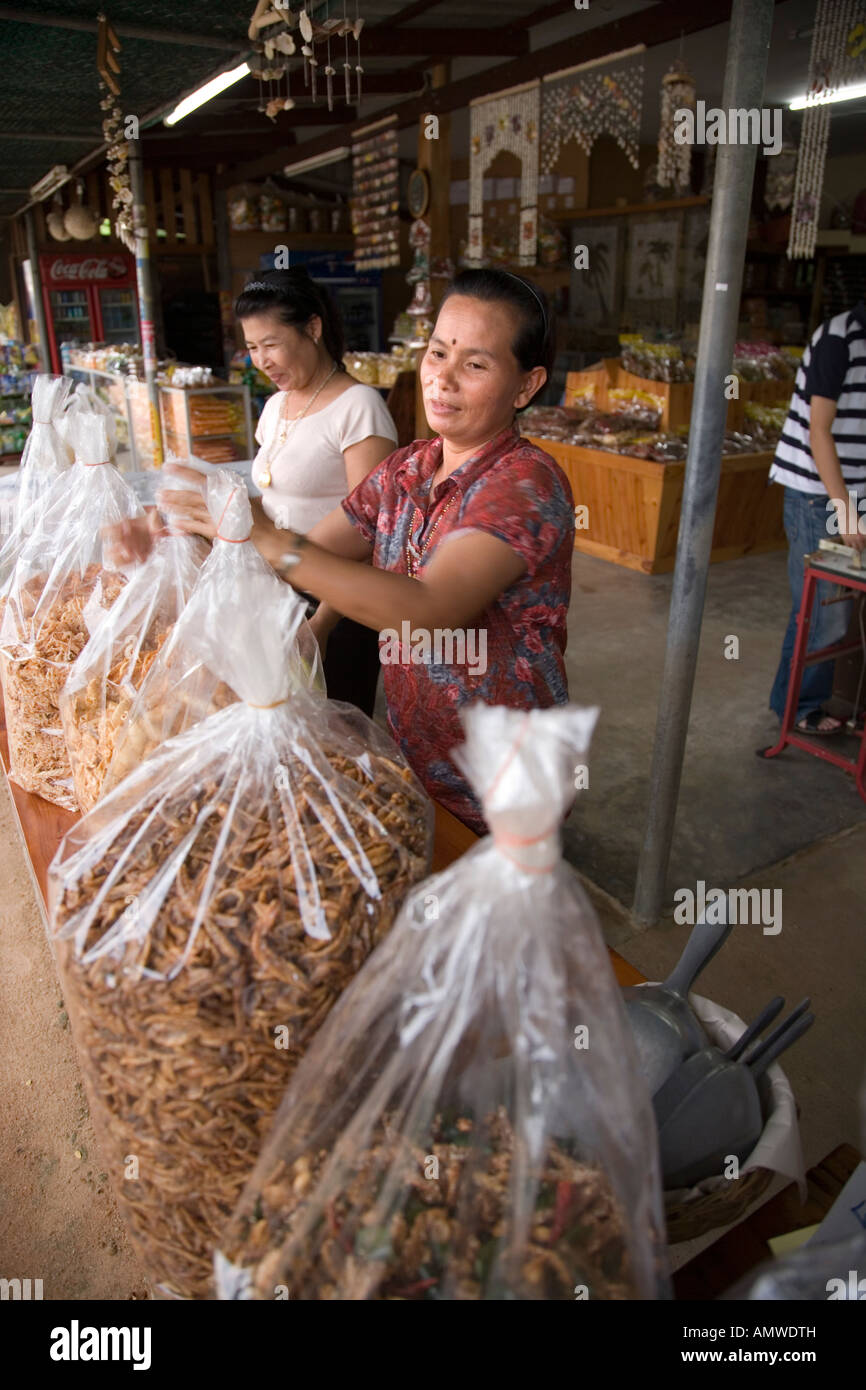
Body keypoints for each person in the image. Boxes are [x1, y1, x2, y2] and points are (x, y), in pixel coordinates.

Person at [158, 268, 575, 834]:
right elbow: (315, 553)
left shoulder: (525, 484)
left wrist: (271, 538)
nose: (443, 379)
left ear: (526, 387)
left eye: (475, 364)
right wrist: (193, 535)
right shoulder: (409, 467)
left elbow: (427, 609)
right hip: (415, 753)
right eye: (437, 353)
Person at [236, 266, 398, 715]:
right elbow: (273, 501)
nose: (261, 360)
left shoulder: (358, 408)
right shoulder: (273, 408)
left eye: (271, 343)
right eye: (251, 347)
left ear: (313, 328)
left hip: (336, 602)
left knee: (338, 731)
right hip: (276, 592)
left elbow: (376, 529)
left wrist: (323, 622)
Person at [767, 301, 866, 735]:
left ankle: (795, 702)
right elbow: (818, 429)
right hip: (816, 493)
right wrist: (844, 510)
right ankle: (798, 708)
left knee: (836, 608)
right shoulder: (839, 338)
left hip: (853, 490)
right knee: (821, 610)